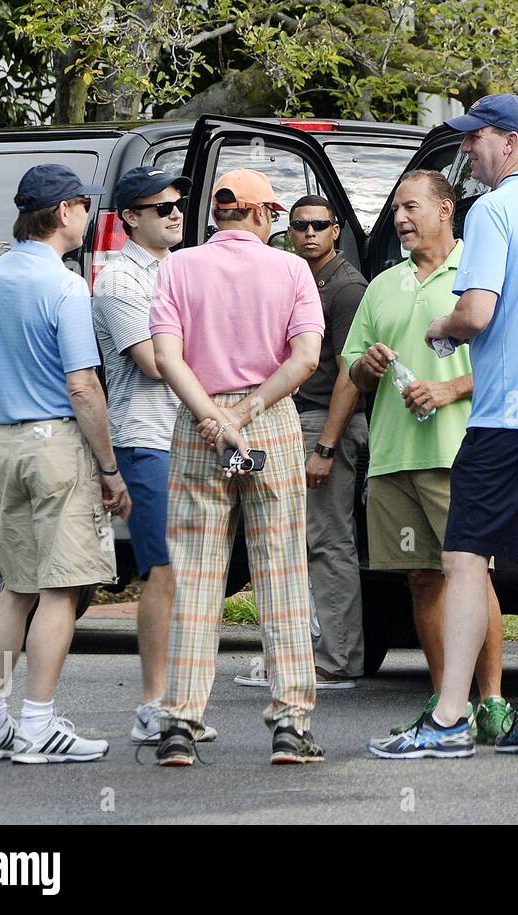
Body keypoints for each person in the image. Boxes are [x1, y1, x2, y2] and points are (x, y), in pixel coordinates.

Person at [370, 93, 518, 759]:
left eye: (475, 139)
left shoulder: (495, 210)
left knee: (463, 557)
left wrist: (441, 329)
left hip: (509, 414)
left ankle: (446, 719)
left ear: (508, 141)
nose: (467, 151)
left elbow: (475, 314)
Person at [149, 168, 325, 766]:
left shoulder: (177, 266)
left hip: (200, 424)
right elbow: (306, 357)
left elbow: (167, 357)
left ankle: (180, 722)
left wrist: (212, 415)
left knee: (197, 576)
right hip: (269, 418)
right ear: (259, 214)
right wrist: (248, 410)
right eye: (274, 214)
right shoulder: (292, 269)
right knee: (281, 570)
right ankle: (291, 724)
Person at [0, 164, 129, 764]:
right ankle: (37, 726)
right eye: (85, 206)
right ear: (63, 212)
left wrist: (5, 428)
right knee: (63, 589)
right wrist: (109, 469)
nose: (88, 217)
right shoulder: (65, 286)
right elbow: (83, 386)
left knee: (16, 588)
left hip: (5, 439)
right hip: (57, 441)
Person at [349, 171, 513, 753]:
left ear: (446, 209)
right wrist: (364, 365)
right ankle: (451, 704)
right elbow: (351, 365)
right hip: (392, 458)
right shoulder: (382, 285)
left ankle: (493, 700)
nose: (400, 218)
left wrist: (449, 390)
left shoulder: (481, 273)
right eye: (396, 209)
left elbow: (513, 360)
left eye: (411, 207)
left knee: (473, 574)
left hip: (460, 452)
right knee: (422, 580)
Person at [93, 166, 217, 746]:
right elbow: (152, 361)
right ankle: (153, 703)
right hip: (147, 438)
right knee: (162, 571)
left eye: (176, 205)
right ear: (130, 219)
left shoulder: (180, 269)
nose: (173, 213)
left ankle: (182, 701)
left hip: (189, 435)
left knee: (192, 573)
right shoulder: (119, 280)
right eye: (159, 207)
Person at [234, 194, 367, 690]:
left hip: (324, 424)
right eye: (299, 225)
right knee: (293, 542)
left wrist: (327, 446)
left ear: (336, 231)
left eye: (319, 225)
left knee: (328, 542)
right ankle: (301, 653)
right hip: (294, 418)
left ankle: (335, 660)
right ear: (287, 232)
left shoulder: (347, 289)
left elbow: (351, 375)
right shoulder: (298, 278)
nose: (309, 233)